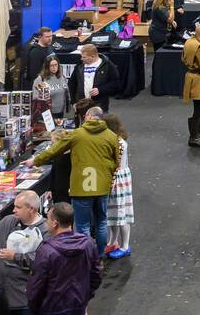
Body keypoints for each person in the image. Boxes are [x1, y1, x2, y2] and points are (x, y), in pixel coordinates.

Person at [30, 108, 121, 256]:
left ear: (88, 117)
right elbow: (116, 161)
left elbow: (54, 150)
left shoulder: (77, 134)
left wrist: (36, 160)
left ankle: (86, 257)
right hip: (103, 186)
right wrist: (105, 172)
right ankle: (100, 256)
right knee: (101, 222)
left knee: (82, 225)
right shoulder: (111, 136)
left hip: (82, 187)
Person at [102, 115, 135, 258]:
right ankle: (112, 241)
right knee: (112, 213)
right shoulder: (114, 140)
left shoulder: (119, 142)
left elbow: (114, 162)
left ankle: (125, 245)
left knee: (121, 213)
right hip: (113, 178)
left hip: (119, 180)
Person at [68, 43, 119, 113]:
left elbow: (115, 83)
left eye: (84, 57)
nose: (81, 59)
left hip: (99, 104)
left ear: (93, 56)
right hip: (82, 104)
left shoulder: (107, 65)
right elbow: (72, 83)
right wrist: (73, 102)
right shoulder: (80, 65)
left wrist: (100, 90)